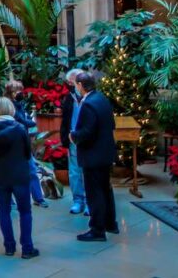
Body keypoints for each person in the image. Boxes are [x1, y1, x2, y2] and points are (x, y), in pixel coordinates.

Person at [0, 97, 39, 259]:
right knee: (25, 211)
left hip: (0, 174)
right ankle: (27, 248)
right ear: (11, 109)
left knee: (4, 210)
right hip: (19, 174)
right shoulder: (20, 128)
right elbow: (27, 153)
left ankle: (9, 246)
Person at [70, 70, 118, 241]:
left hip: (93, 155)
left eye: (75, 84)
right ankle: (110, 223)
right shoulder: (102, 99)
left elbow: (87, 131)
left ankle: (97, 229)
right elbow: (111, 124)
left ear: (81, 85)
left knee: (94, 192)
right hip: (105, 153)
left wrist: (73, 136)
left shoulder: (89, 103)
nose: (75, 87)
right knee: (105, 189)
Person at [4, 80, 49, 208]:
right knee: (10, 173)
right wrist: (29, 121)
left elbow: (27, 120)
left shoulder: (19, 104)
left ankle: (38, 198)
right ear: (10, 93)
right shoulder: (7, 107)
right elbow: (25, 121)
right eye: (16, 91)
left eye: (20, 90)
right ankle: (9, 200)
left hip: (24, 143)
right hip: (11, 144)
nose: (19, 93)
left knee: (31, 171)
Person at [60, 68, 89, 215]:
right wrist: (65, 139)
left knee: (88, 172)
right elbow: (64, 121)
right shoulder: (69, 98)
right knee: (75, 172)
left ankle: (90, 202)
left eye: (71, 83)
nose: (69, 85)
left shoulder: (91, 98)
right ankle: (78, 200)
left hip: (88, 141)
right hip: (73, 141)